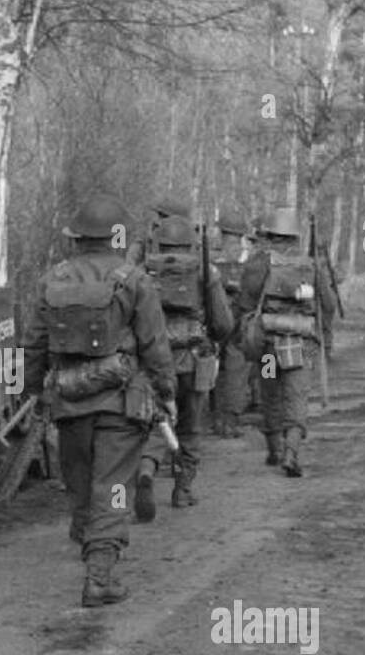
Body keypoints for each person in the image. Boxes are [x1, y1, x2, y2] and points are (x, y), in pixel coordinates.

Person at [22, 193, 175, 607]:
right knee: (113, 487)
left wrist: (33, 392)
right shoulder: (134, 279)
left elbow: (33, 344)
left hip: (68, 400)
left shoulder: (53, 279)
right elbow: (154, 345)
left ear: (77, 238)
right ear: (118, 236)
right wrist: (166, 390)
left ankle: (87, 538)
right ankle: (100, 576)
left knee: (80, 480)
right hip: (121, 402)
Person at [134, 214, 232, 518]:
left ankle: (147, 470)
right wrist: (213, 339)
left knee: (154, 421)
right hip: (192, 360)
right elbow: (223, 323)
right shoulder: (206, 271)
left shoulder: (140, 272)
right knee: (190, 427)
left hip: (151, 363)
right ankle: (183, 490)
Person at [235, 208, 332, 478]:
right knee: (297, 396)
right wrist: (325, 335)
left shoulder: (258, 263)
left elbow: (244, 304)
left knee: (270, 393)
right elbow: (329, 304)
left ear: (270, 234)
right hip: (300, 347)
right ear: (293, 236)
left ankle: (274, 450)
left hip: (268, 348)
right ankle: (291, 452)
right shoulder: (310, 264)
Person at [211, 213, 250, 438]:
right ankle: (231, 422)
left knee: (215, 367)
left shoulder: (211, 257)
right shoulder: (249, 258)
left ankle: (216, 418)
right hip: (240, 318)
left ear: (222, 232)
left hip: (215, 318)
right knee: (237, 368)